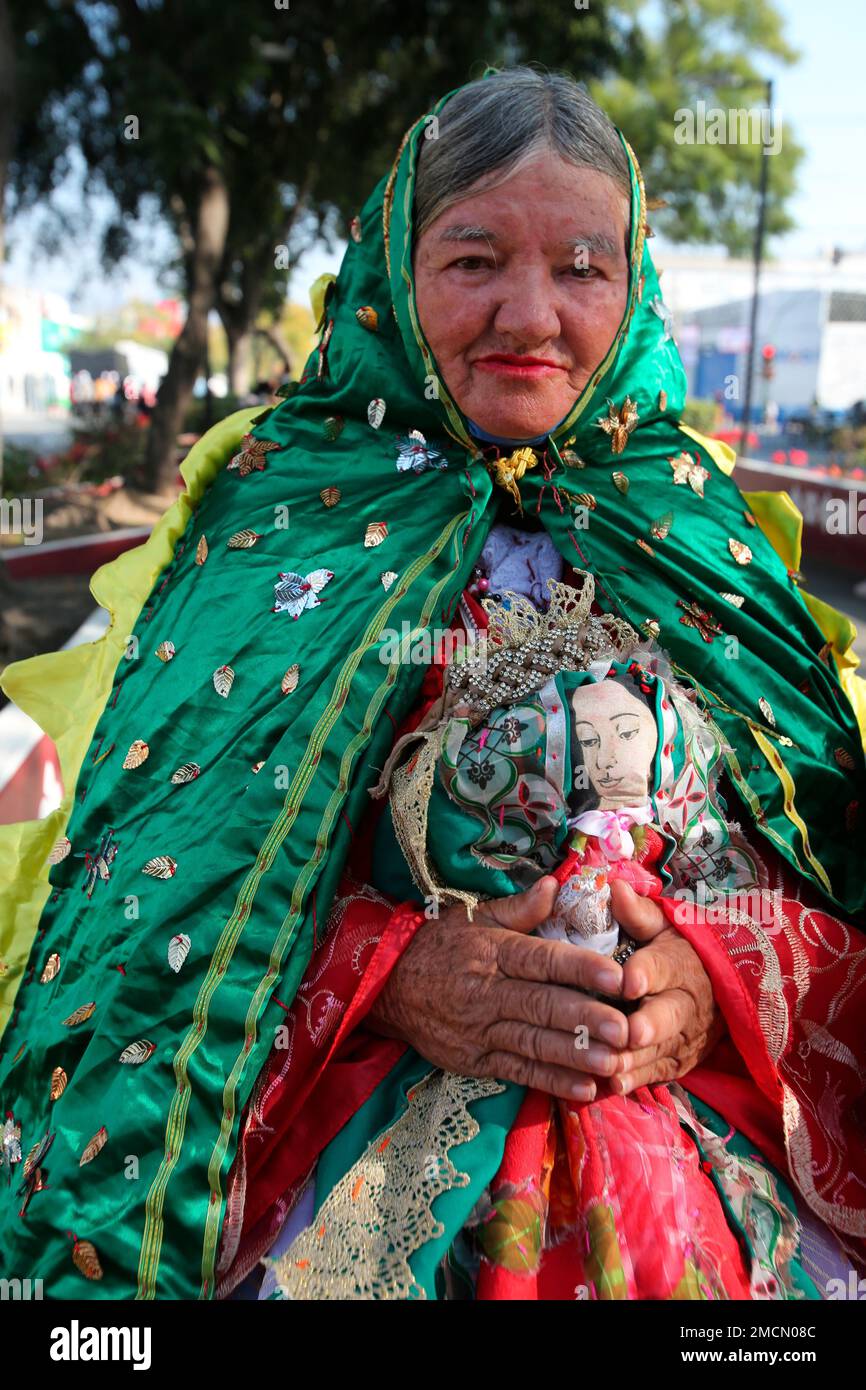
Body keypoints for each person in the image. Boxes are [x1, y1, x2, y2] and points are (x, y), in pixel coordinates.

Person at [0, 66, 864, 1302]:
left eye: (581, 267)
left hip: (708, 1180)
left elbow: (825, 860)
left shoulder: (701, 536)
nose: (530, 314)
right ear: (392, 282)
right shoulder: (274, 525)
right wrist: (396, 970)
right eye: (472, 261)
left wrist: (708, 983)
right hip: (353, 1170)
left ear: (634, 289)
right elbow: (161, 902)